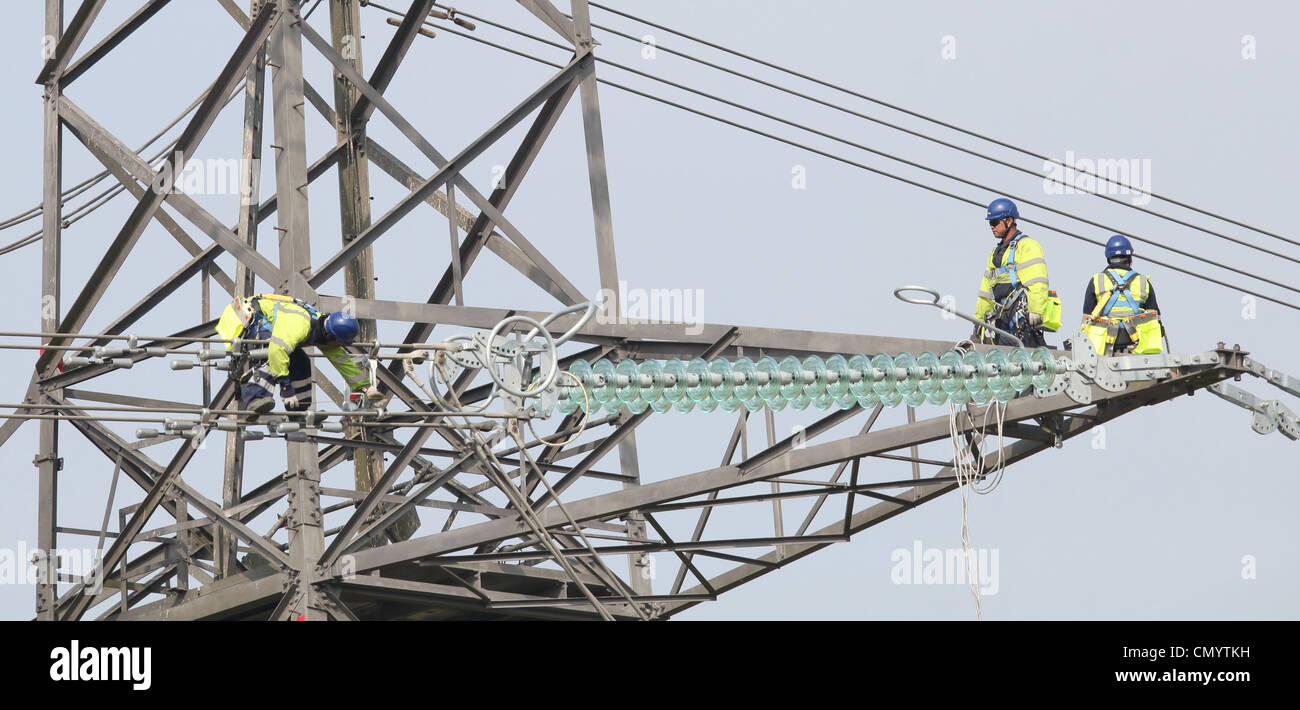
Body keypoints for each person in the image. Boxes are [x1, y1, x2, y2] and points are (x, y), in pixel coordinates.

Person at [215, 293, 371, 414]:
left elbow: (342, 360)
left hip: (267, 325)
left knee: (301, 362)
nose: (340, 346)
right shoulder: (300, 325)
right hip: (247, 318)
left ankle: (299, 410)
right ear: (331, 336)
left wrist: (365, 387)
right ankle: (256, 399)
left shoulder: (324, 331)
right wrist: (286, 388)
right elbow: (277, 351)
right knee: (269, 353)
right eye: (340, 342)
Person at [973, 198, 1059, 347]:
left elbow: (1037, 281)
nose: (992, 227)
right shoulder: (995, 252)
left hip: (1019, 313)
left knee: (1021, 356)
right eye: (990, 223)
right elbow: (986, 290)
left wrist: (1036, 310)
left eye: (995, 222)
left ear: (1009, 220)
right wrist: (978, 321)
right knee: (1002, 357)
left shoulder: (1027, 246)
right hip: (1000, 315)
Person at [1080, 235, 1165, 355]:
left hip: (1104, 344)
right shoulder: (1143, 281)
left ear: (1108, 258)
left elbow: (1087, 317)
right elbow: (1155, 318)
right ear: (1130, 258)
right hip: (1136, 343)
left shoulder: (1097, 280)